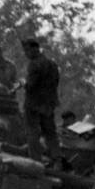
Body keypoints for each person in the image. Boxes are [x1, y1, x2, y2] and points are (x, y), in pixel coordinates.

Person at [21, 36, 61, 167]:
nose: (26, 54)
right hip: (48, 105)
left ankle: (35, 161)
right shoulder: (52, 64)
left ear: (35, 49)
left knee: (32, 133)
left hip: (33, 105)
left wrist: (23, 83)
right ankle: (56, 160)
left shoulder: (34, 64)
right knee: (50, 134)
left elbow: (31, 85)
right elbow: (56, 83)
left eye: (27, 50)